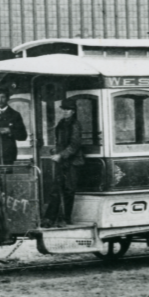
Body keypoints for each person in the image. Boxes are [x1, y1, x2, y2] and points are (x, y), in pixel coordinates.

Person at [42, 97, 85, 227]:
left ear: (73, 111)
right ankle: (50, 219)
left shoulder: (75, 125)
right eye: (64, 109)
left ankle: (66, 218)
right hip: (62, 161)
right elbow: (60, 142)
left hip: (73, 163)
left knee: (68, 190)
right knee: (55, 190)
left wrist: (61, 155)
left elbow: (74, 145)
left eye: (68, 109)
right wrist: (55, 151)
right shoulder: (61, 123)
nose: (65, 111)